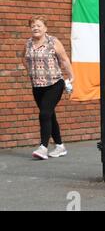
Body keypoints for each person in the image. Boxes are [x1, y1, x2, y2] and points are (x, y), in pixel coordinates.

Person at [23, 16, 75, 160]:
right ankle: (59, 146)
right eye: (33, 26)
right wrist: (31, 72)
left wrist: (71, 77)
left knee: (44, 113)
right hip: (37, 86)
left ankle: (43, 147)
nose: (35, 28)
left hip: (54, 84)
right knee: (49, 114)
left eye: (39, 25)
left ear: (45, 28)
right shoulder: (28, 43)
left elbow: (64, 59)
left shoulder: (53, 42)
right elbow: (24, 59)